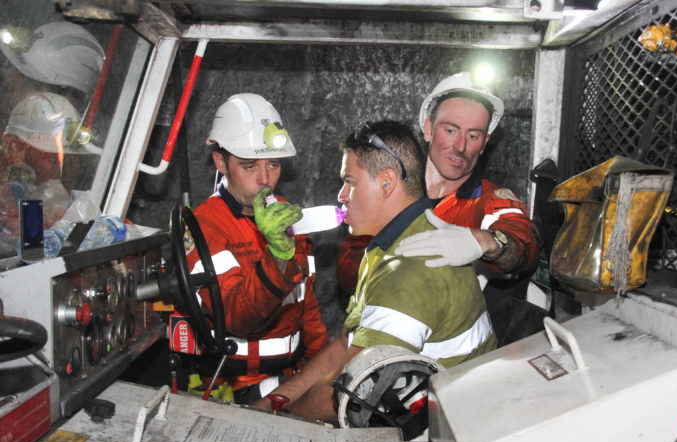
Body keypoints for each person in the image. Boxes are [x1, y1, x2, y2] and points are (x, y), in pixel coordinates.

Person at [254, 120, 497, 420]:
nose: (341, 195)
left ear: (386, 183)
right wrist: (269, 406)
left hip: (448, 427)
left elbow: (341, 396)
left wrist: (278, 421)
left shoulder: (408, 270)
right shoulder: (397, 241)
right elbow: (345, 344)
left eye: (350, 182)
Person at [336, 71, 540, 294]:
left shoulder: (491, 202)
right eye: (451, 130)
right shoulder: (391, 191)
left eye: (473, 136)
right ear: (428, 129)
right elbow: (349, 276)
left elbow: (525, 244)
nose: (460, 146)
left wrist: (486, 242)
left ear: (484, 144)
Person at [187, 93, 328, 403]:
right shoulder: (205, 227)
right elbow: (236, 317)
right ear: (220, 162)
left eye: (274, 164)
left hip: (291, 373)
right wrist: (277, 255)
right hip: (234, 386)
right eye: (249, 166)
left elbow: (307, 306)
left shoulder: (284, 215)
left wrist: (323, 366)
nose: (265, 180)